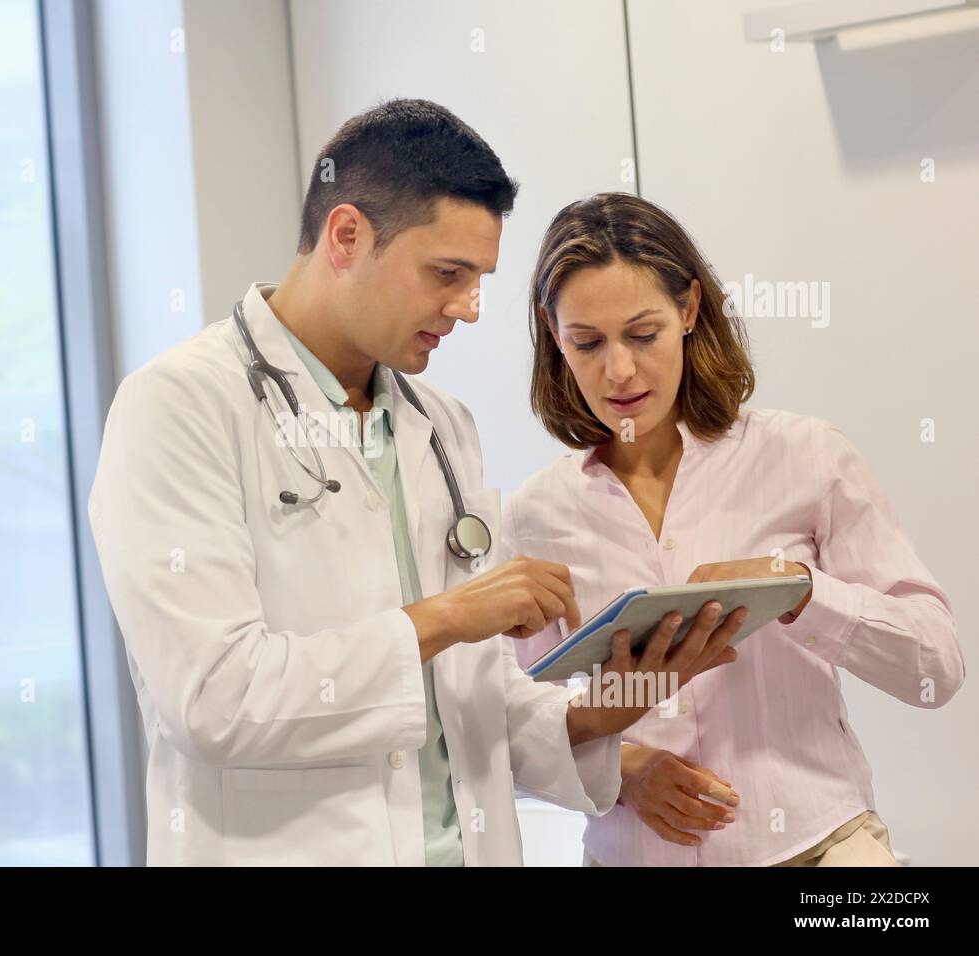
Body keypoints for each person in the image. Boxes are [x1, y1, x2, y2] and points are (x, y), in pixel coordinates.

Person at [88, 102, 741, 866]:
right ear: (346, 236)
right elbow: (212, 699)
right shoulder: (180, 407)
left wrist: (616, 701)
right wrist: (448, 616)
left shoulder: (442, 427)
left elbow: (475, 710)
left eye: (478, 281)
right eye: (447, 275)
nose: (467, 307)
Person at [507, 192, 965, 866]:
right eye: (587, 342)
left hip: (821, 847)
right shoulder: (534, 515)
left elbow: (936, 667)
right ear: (553, 333)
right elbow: (507, 733)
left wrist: (799, 591)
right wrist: (624, 769)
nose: (619, 371)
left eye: (643, 333)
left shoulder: (805, 456)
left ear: (689, 309)